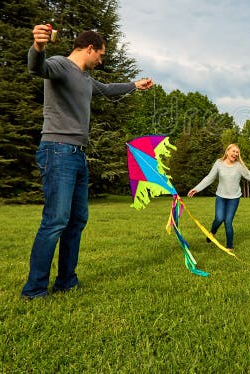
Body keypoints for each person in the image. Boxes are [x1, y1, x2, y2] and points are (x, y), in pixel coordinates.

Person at [21, 24, 154, 300]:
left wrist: (134, 85)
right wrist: (38, 47)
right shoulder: (60, 65)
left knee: (77, 219)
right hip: (57, 151)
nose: (101, 61)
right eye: (101, 55)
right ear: (90, 48)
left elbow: (106, 89)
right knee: (55, 220)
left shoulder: (84, 78)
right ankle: (34, 290)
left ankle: (66, 281)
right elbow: (37, 68)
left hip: (78, 154)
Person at [187, 144, 250, 251]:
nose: (235, 154)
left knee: (228, 221)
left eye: (237, 152)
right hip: (221, 196)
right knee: (219, 218)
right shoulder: (219, 163)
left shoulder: (239, 166)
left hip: (234, 198)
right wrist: (196, 189)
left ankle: (230, 246)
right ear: (227, 151)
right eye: (233, 151)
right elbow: (209, 178)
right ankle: (212, 232)